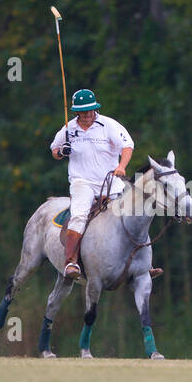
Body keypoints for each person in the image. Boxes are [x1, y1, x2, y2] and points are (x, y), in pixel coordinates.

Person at [50, 89, 133, 279]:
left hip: (109, 180)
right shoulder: (69, 129)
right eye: (83, 112)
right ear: (76, 112)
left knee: (131, 214)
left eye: (91, 111)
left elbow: (127, 146)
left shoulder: (108, 125)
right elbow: (54, 149)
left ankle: (142, 262)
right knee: (78, 215)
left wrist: (121, 166)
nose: (88, 115)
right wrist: (62, 151)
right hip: (82, 182)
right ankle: (70, 262)